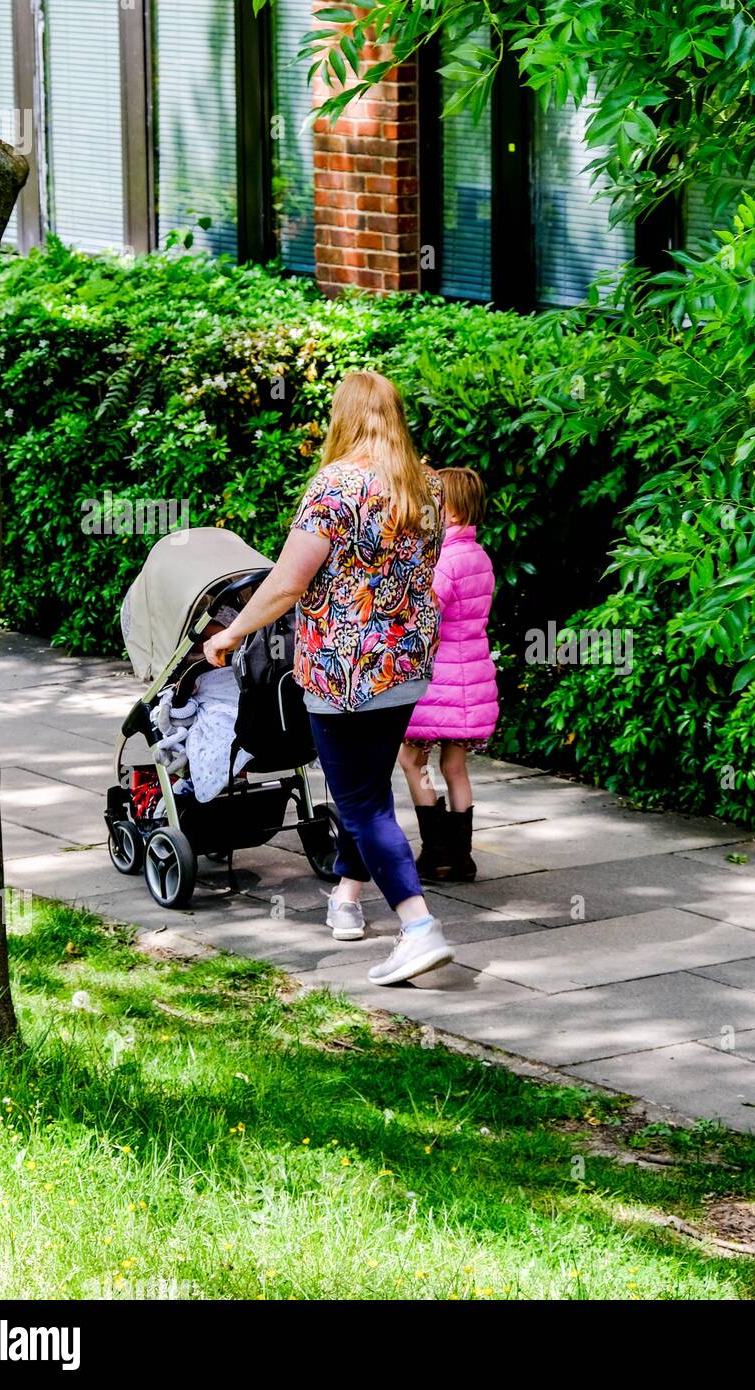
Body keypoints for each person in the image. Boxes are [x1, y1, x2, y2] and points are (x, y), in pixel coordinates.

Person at [203, 370, 454, 985]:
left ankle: (418, 926)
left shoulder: (334, 486)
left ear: (346, 416)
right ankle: (346, 896)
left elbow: (287, 582)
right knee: (366, 790)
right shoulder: (426, 487)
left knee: (361, 801)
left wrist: (231, 634)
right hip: (403, 662)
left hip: (343, 672)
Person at [399, 468, 498, 881]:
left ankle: (435, 851)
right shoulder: (479, 556)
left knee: (410, 760)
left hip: (438, 682)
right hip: (471, 681)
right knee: (455, 768)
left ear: (452, 512)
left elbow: (425, 616)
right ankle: (461, 859)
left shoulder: (445, 559)